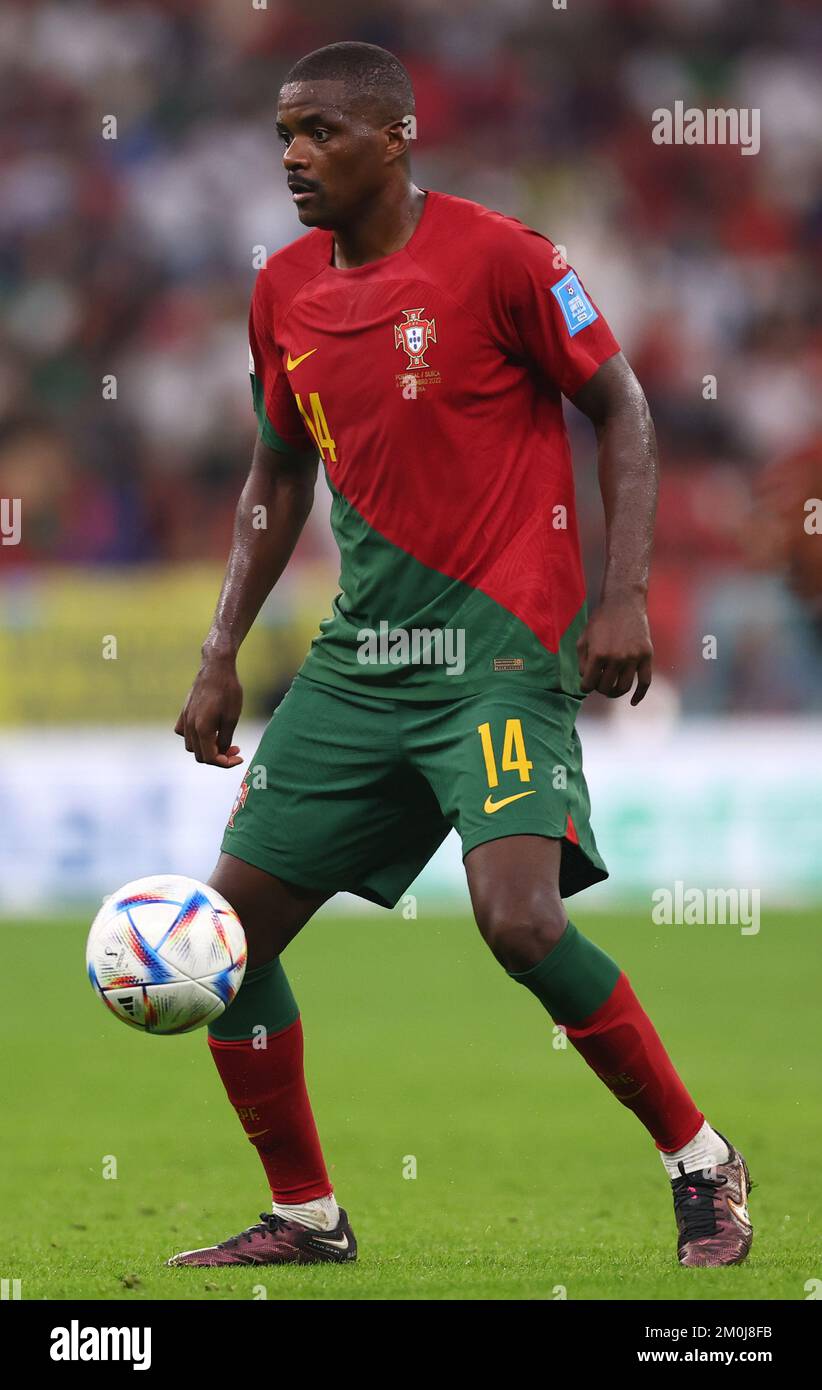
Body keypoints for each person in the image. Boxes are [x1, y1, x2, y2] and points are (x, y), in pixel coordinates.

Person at [170, 41, 752, 1270]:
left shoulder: (507, 259)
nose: (291, 154)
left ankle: (700, 1162)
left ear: (396, 138)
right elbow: (278, 470)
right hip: (360, 653)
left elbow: (625, 407)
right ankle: (309, 1216)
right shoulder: (280, 287)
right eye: (284, 131)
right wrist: (222, 649)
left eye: (320, 130)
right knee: (221, 942)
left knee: (521, 924)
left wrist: (623, 592)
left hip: (496, 648)